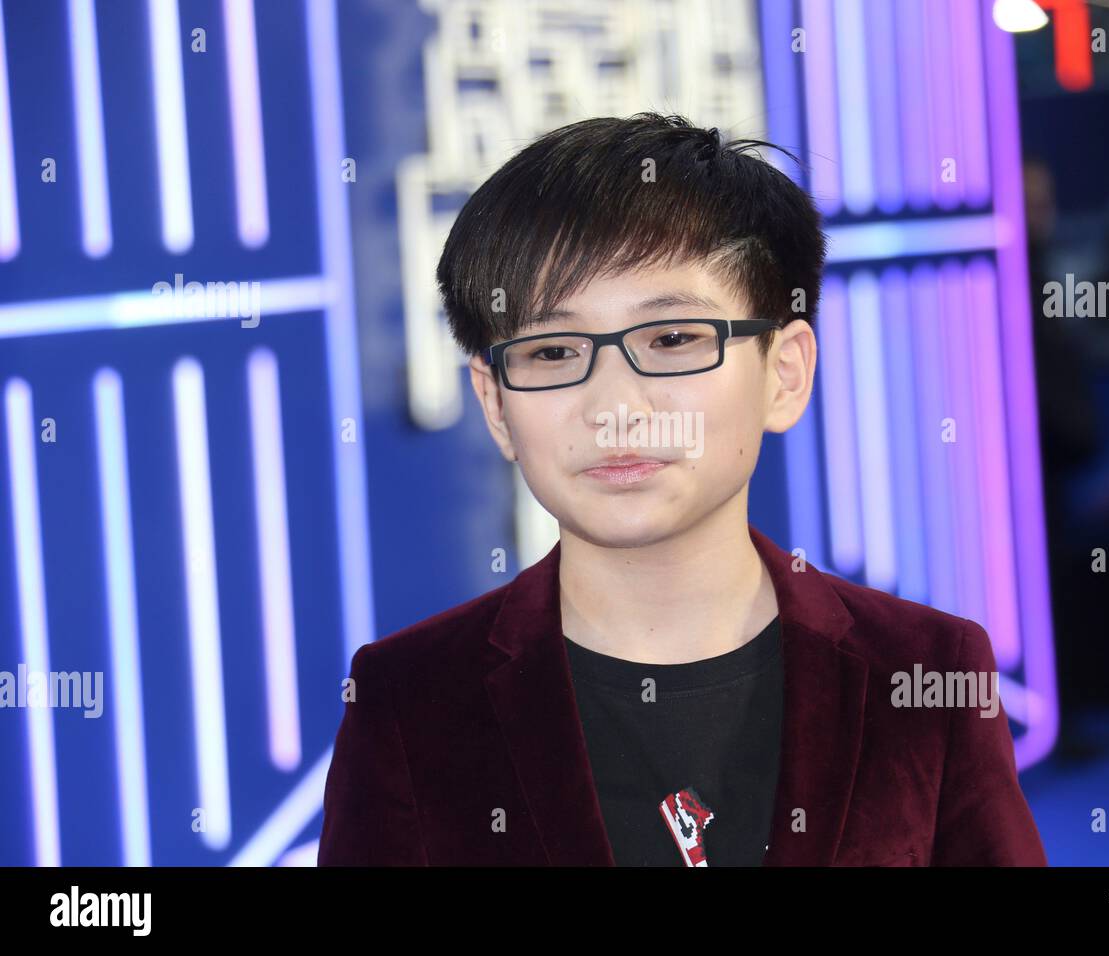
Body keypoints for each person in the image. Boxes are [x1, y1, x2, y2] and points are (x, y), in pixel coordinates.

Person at [317, 113, 1047, 867]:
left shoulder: (925, 670)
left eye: (671, 340)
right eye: (552, 350)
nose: (615, 408)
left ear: (784, 373)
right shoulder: (410, 700)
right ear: (496, 403)